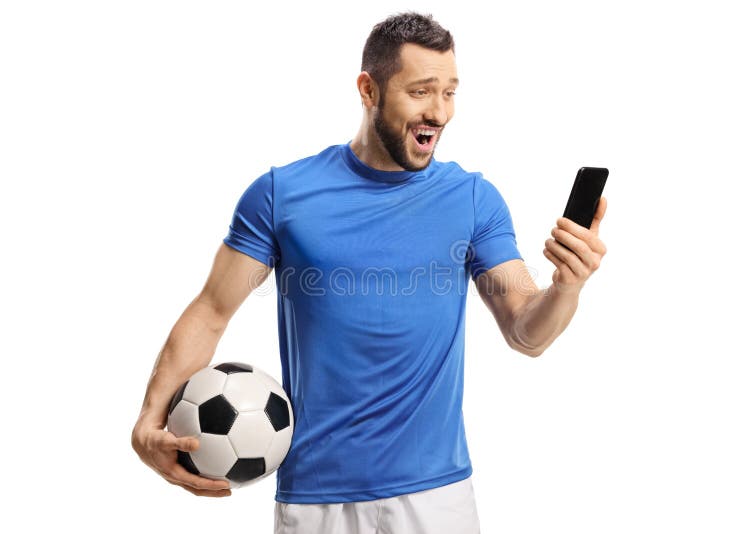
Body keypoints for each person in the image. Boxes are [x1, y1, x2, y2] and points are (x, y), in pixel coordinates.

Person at [131, 12, 607, 534]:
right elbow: (213, 311)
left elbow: (526, 332)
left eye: (450, 92)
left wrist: (566, 285)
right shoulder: (282, 195)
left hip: (437, 496)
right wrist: (149, 420)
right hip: (316, 498)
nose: (440, 111)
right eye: (422, 91)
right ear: (368, 89)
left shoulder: (472, 199)